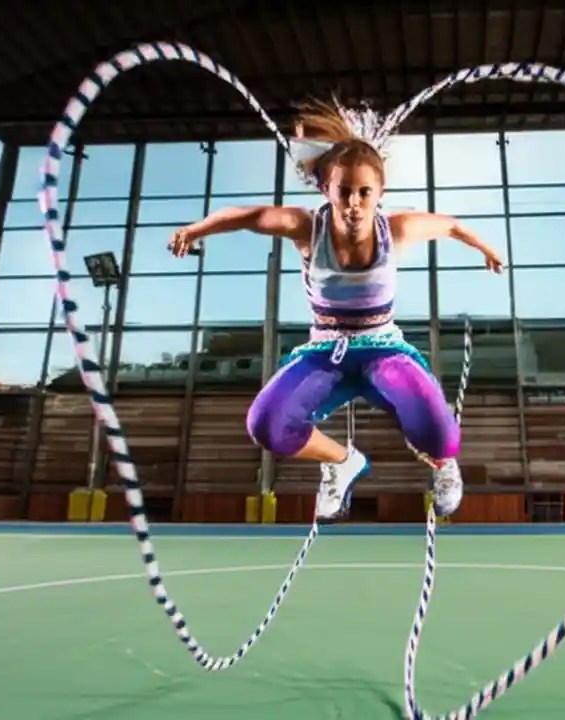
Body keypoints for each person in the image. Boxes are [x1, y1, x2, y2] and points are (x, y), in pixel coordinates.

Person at [167, 97, 504, 523]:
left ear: (380, 194)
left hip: (384, 350)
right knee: (266, 425)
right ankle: (342, 461)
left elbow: (452, 225)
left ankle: (442, 465)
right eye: (344, 191)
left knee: (438, 433)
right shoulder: (308, 227)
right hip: (326, 353)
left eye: (365, 193)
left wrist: (487, 250)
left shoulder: (395, 228)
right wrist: (195, 230)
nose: (353, 204)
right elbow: (249, 216)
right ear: (326, 188)